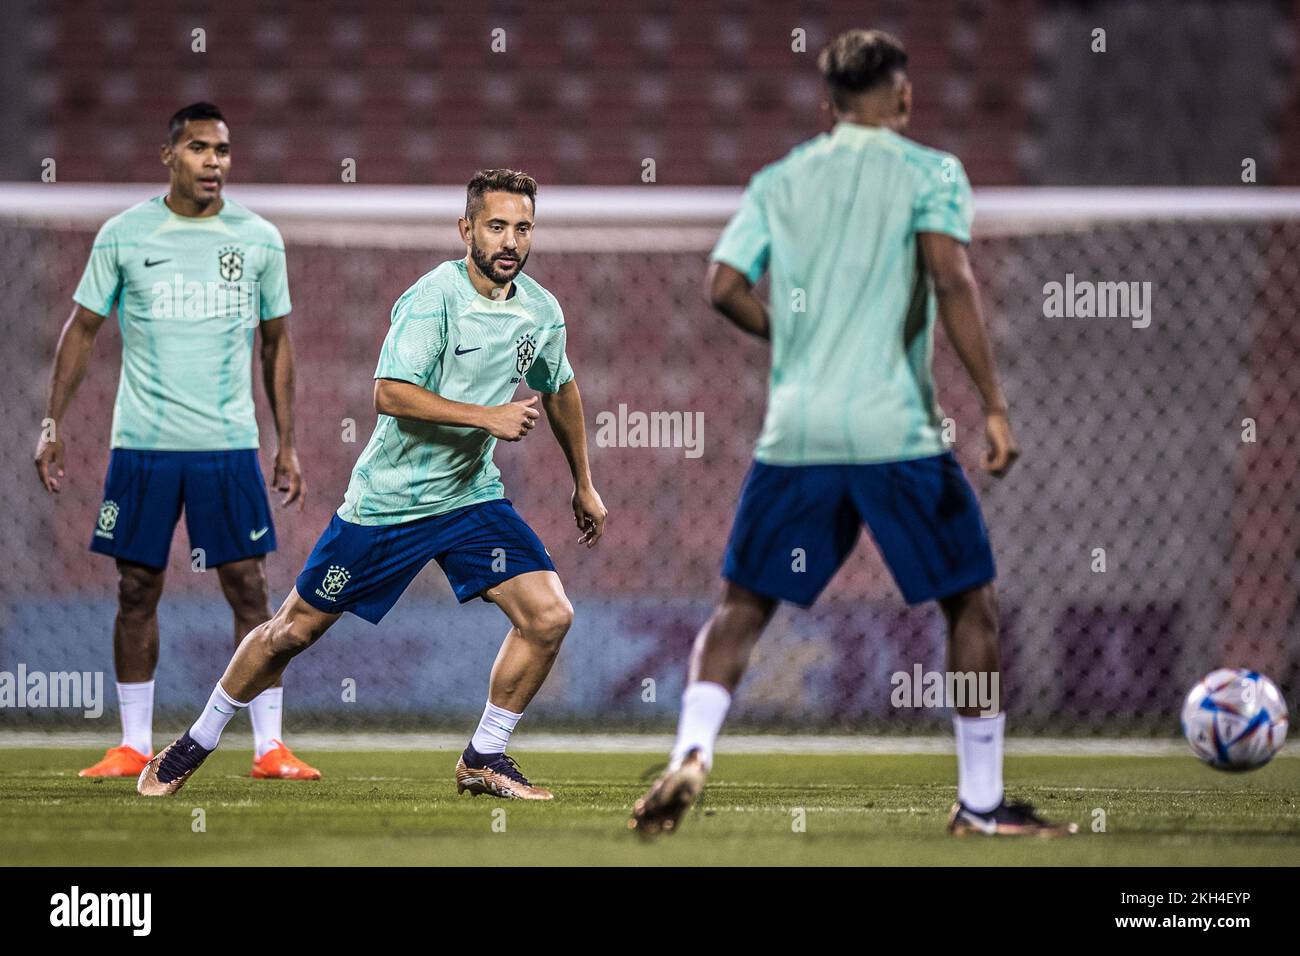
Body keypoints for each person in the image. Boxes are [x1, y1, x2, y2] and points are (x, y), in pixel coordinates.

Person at [630, 30, 1075, 837]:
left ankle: (690, 752)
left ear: (825, 104)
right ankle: (980, 802)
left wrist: (789, 339)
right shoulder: (931, 172)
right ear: (901, 97)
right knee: (969, 603)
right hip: (895, 432)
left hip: (795, 433)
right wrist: (995, 406)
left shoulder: (780, 178)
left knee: (740, 608)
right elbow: (951, 275)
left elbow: (722, 286)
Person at [137, 168, 607, 801]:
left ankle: (484, 755)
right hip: (390, 503)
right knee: (292, 632)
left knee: (549, 616)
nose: (510, 241)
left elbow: (560, 385)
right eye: (497, 226)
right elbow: (388, 394)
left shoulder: (540, 310)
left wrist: (584, 481)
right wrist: (486, 417)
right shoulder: (432, 298)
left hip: (470, 497)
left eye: (523, 228)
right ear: (466, 229)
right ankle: (193, 742)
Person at [35, 102, 318, 781]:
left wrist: (287, 442)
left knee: (249, 589)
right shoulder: (125, 235)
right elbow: (81, 329)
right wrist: (52, 422)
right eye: (198, 148)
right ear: (170, 155)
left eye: (221, 149)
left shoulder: (257, 239)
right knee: (137, 587)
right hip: (143, 444)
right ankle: (132, 743)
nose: (213, 161)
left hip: (228, 444)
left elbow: (277, 342)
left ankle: (268, 747)